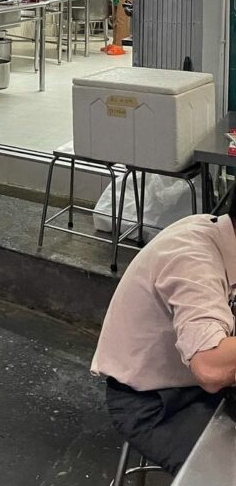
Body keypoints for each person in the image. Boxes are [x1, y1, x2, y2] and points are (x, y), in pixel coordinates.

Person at [92, 203, 236, 475]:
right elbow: (210, 365)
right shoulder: (193, 258)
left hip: (190, 382)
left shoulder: (220, 233)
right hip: (154, 401)